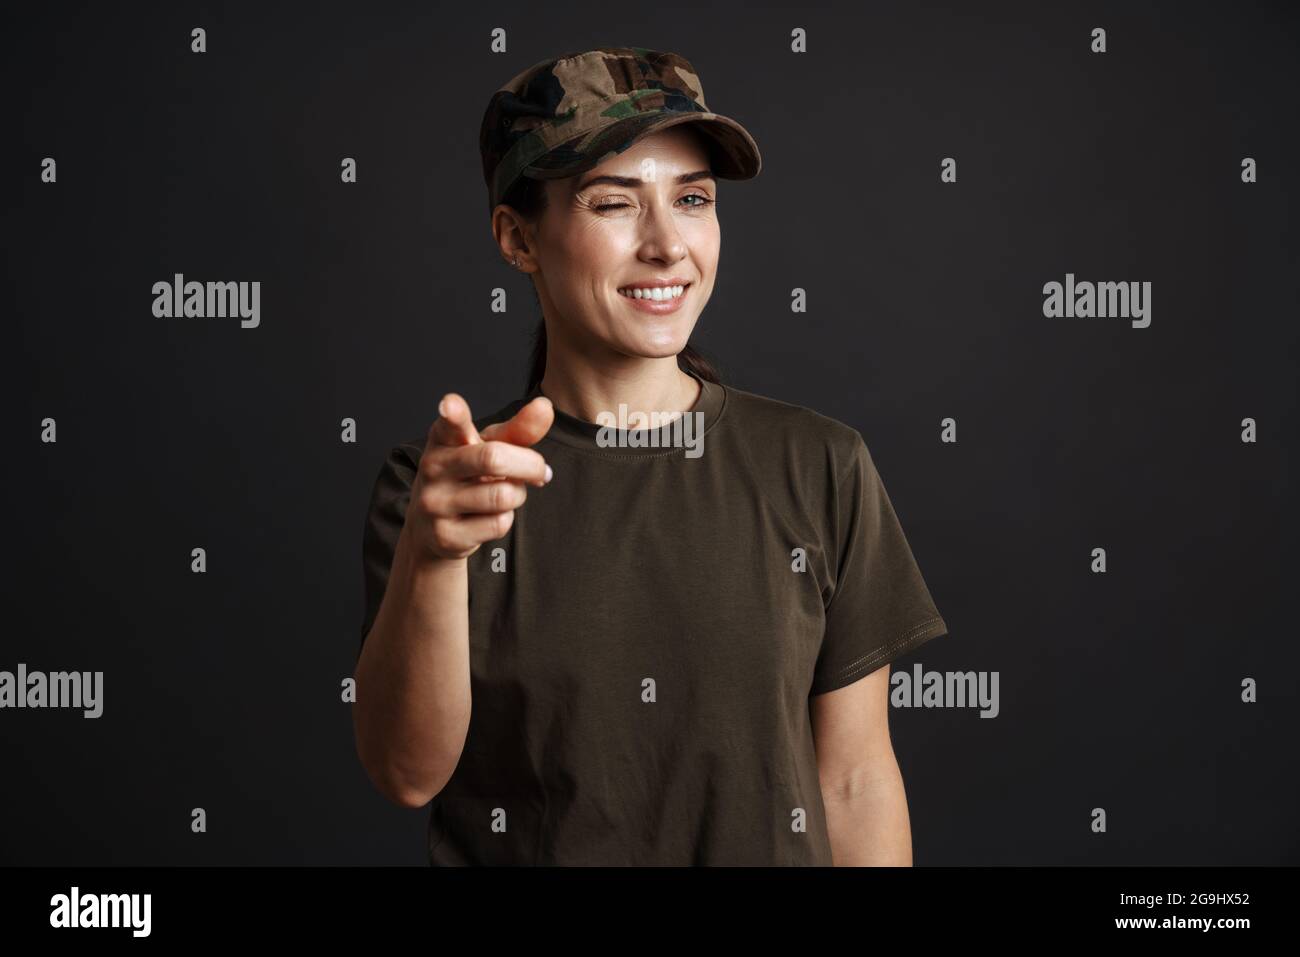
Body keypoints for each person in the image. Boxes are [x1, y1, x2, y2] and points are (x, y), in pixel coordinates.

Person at [352, 46, 950, 866]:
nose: (667, 245)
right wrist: (431, 554)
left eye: (693, 199)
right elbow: (408, 772)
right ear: (517, 238)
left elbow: (853, 780)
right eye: (613, 203)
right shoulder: (448, 492)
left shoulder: (821, 465)